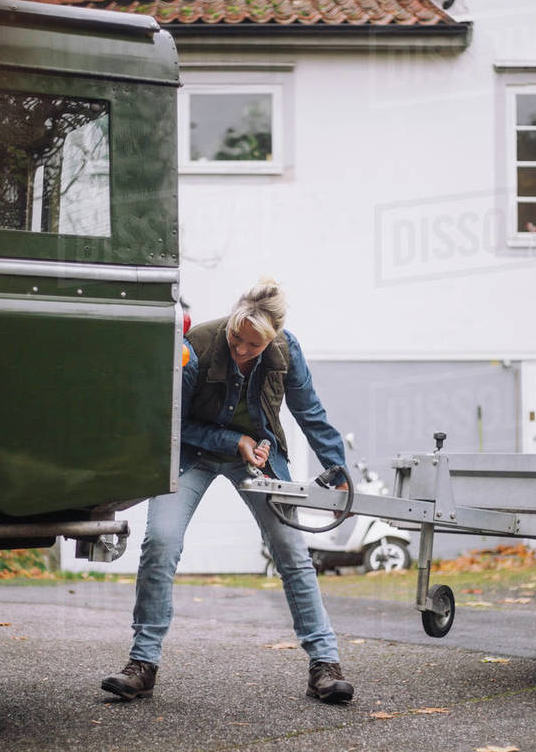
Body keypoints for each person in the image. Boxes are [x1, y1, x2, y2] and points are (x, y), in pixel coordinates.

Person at [102, 277, 355, 705]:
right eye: (237, 338)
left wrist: (338, 470)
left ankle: (325, 666)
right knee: (160, 542)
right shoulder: (197, 346)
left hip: (256, 458)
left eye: (253, 346)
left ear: (272, 338)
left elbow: (310, 412)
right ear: (232, 320)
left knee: (292, 552)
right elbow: (171, 422)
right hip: (192, 454)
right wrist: (232, 440)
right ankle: (142, 664)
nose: (241, 350)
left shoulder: (287, 351)